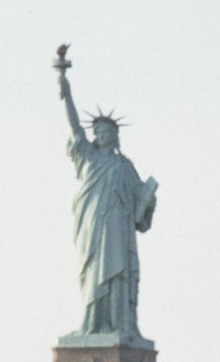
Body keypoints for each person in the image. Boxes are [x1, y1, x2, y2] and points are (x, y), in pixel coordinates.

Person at [56, 57, 157, 340]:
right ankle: (93, 323)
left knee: (118, 274)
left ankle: (118, 324)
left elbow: (141, 205)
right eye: (96, 131)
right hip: (92, 223)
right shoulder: (87, 156)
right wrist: (65, 87)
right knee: (93, 274)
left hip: (117, 225)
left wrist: (148, 198)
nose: (99, 134)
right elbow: (74, 126)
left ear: (114, 136)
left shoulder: (125, 166)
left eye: (105, 131)